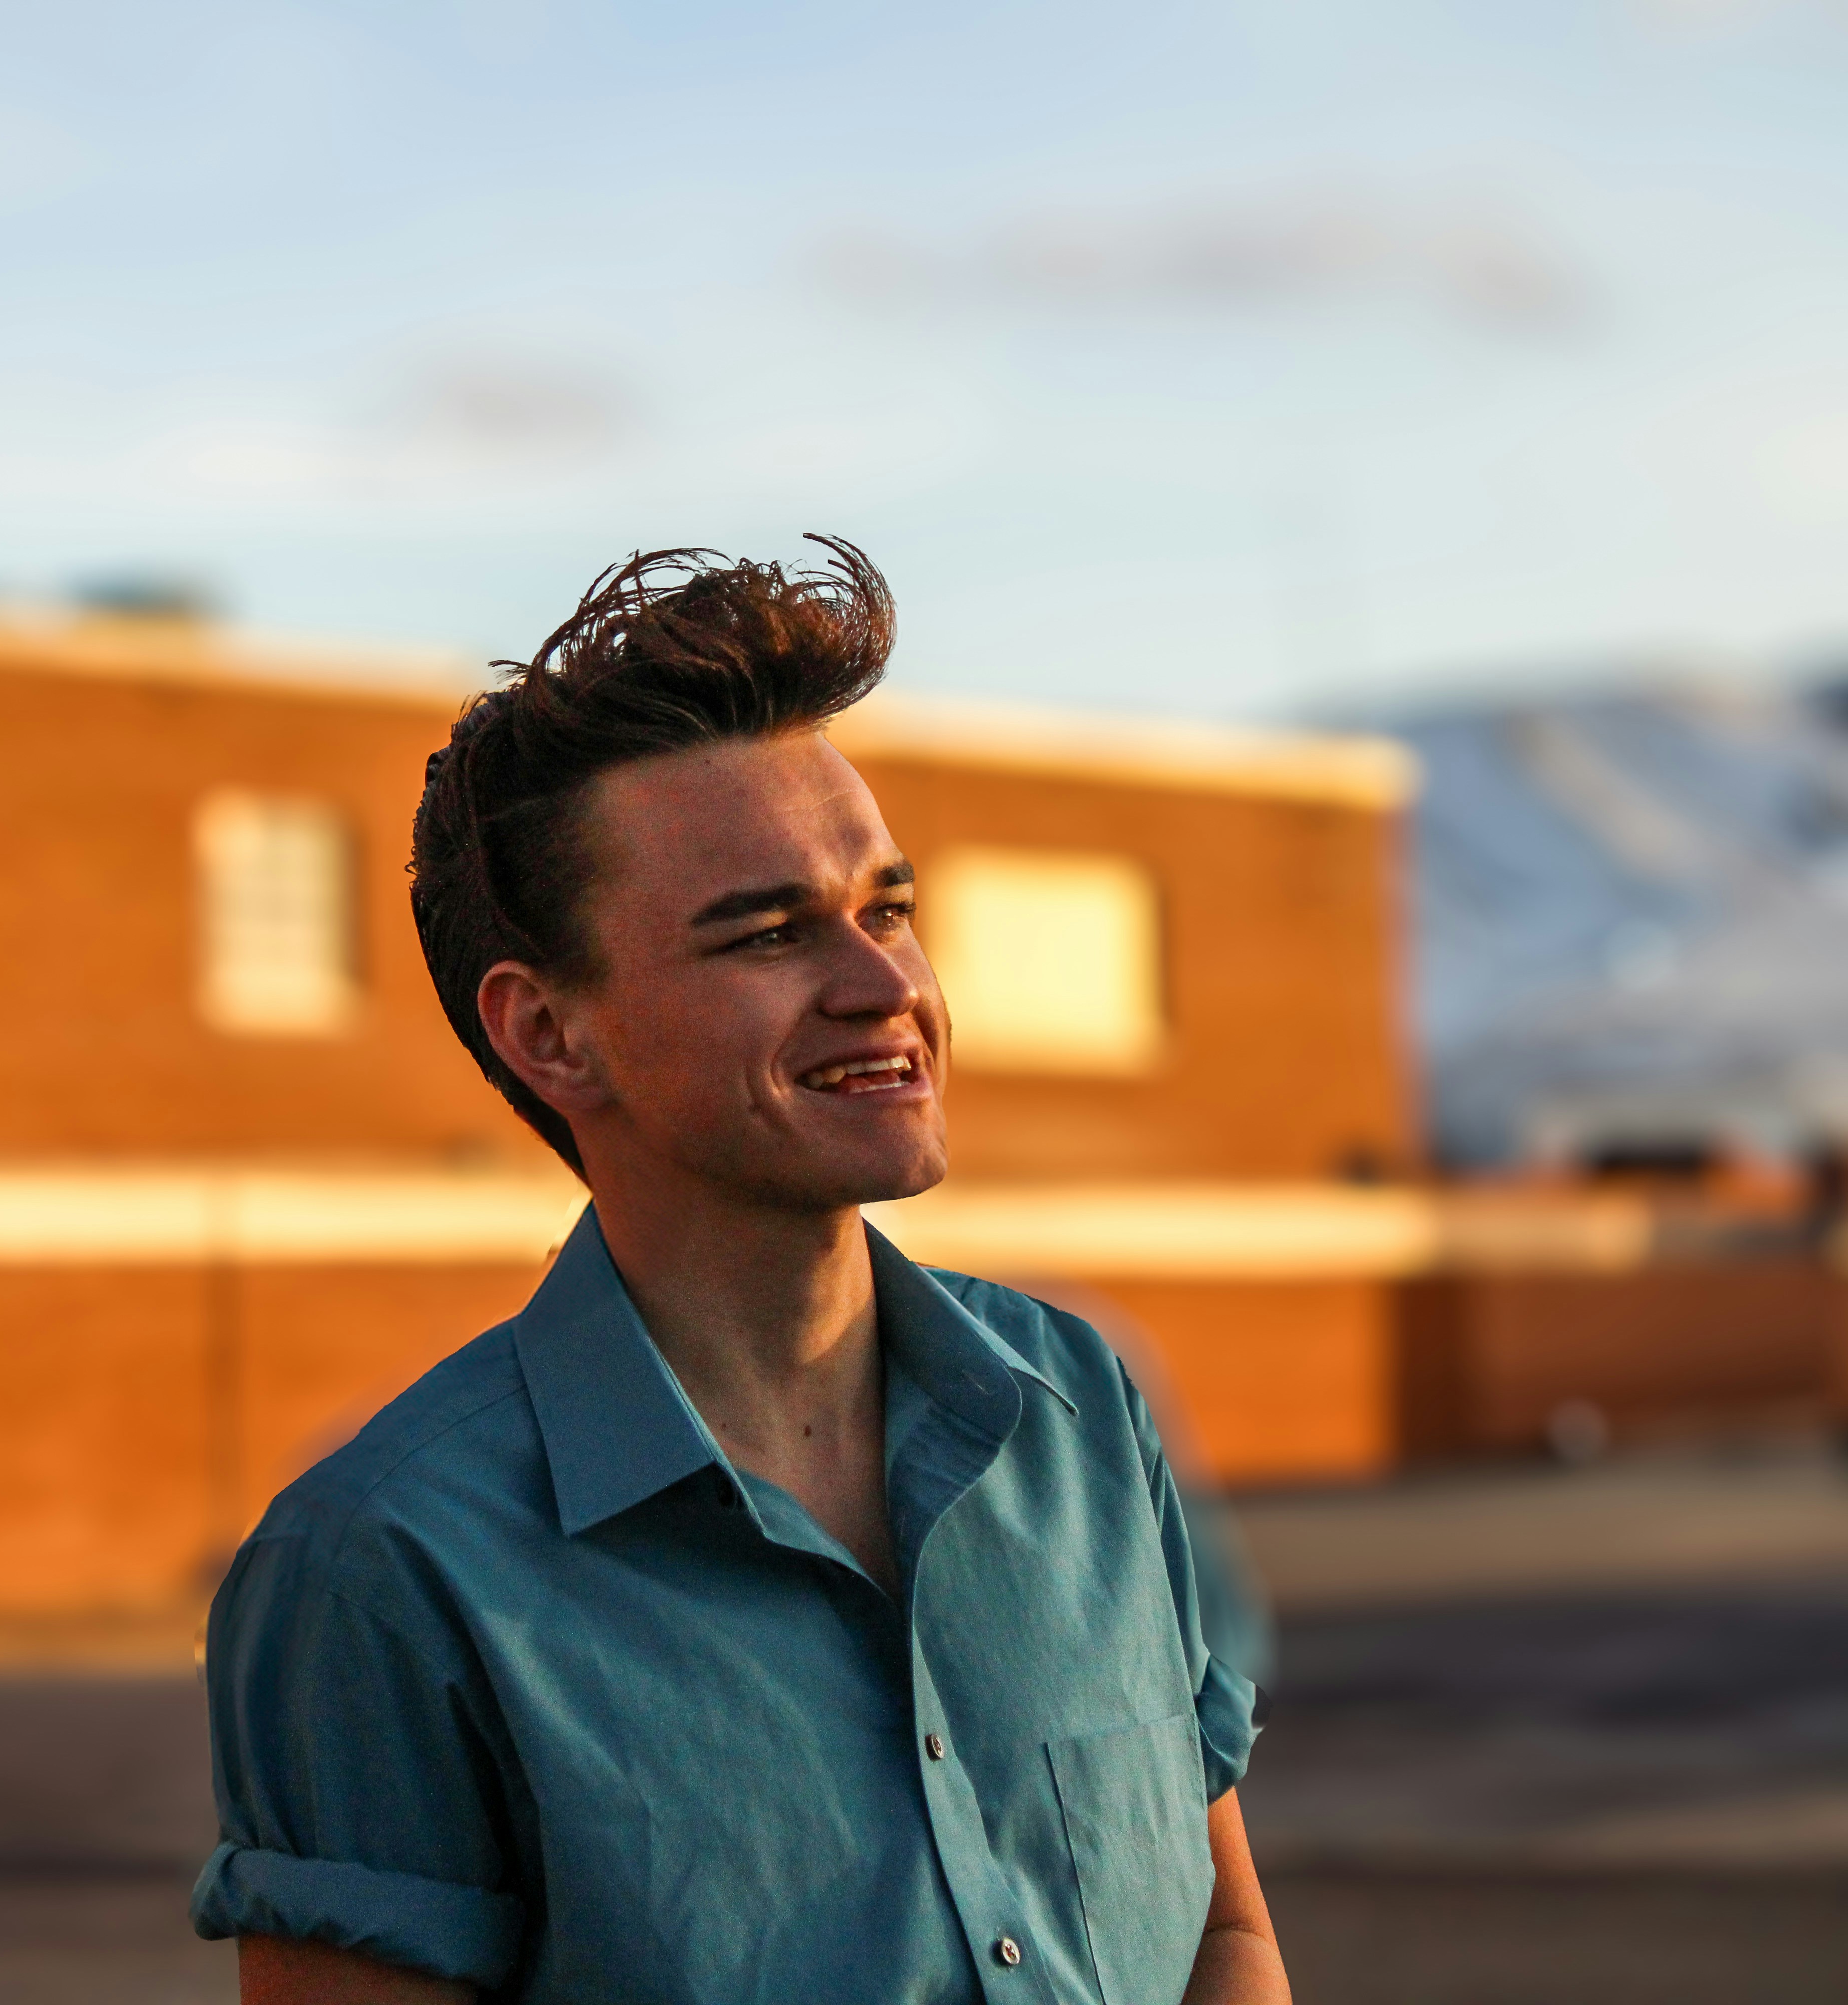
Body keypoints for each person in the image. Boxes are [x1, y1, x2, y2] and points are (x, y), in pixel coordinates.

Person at [190, 543, 1288, 2004]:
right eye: (769, 933)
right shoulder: (380, 1574)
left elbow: (1220, 1933)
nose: (885, 985)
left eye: (888, 908)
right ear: (550, 1038)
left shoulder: (1082, 1408)